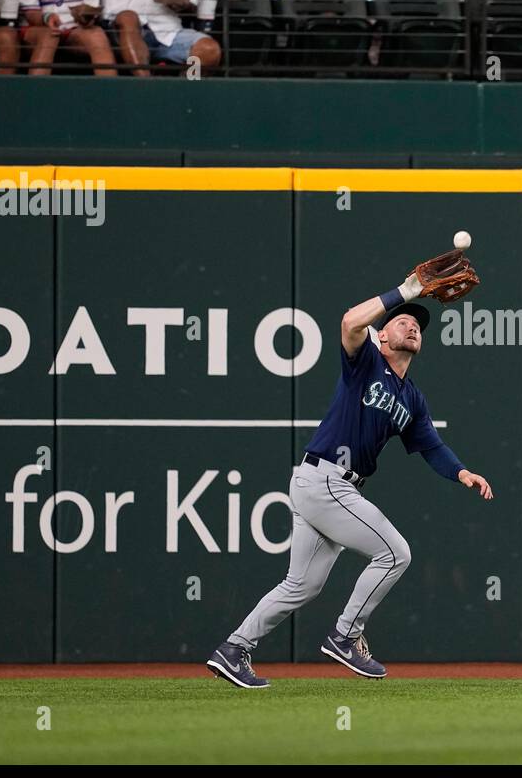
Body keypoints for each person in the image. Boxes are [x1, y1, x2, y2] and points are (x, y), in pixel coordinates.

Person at [207, 273, 494, 686]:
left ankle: (233, 650)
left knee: (301, 585)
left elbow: (431, 446)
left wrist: (462, 472)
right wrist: (406, 292)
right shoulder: (366, 363)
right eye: (402, 321)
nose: (412, 324)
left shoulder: (411, 397)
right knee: (396, 554)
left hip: (324, 485)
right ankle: (346, 635)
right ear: (381, 335)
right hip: (326, 480)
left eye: (417, 325)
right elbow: (349, 323)